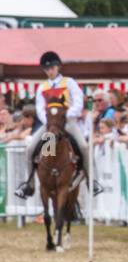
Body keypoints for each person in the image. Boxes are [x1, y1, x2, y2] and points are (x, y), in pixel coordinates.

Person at [16, 51, 99, 198]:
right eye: (46, 69)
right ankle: (29, 185)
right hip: (50, 126)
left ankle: (92, 182)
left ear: (58, 67)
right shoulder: (42, 87)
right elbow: (40, 109)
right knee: (30, 149)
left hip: (68, 122)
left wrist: (65, 116)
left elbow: (78, 103)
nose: (49, 71)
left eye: (52, 68)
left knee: (84, 147)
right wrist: (50, 121)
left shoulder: (69, 83)